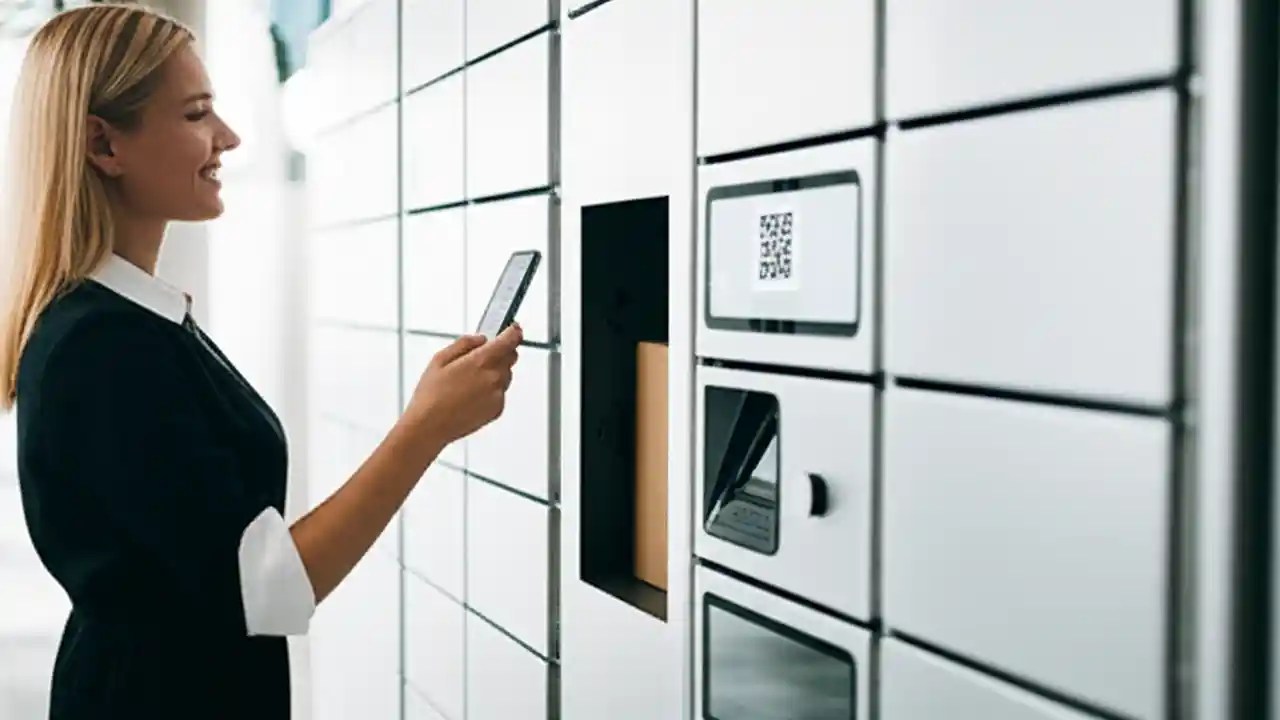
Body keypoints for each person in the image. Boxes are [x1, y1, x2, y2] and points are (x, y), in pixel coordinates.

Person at [0, 4, 522, 718]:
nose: (229, 138)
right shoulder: (101, 349)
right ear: (103, 144)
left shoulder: (134, 325)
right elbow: (264, 589)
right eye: (195, 115)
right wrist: (425, 428)